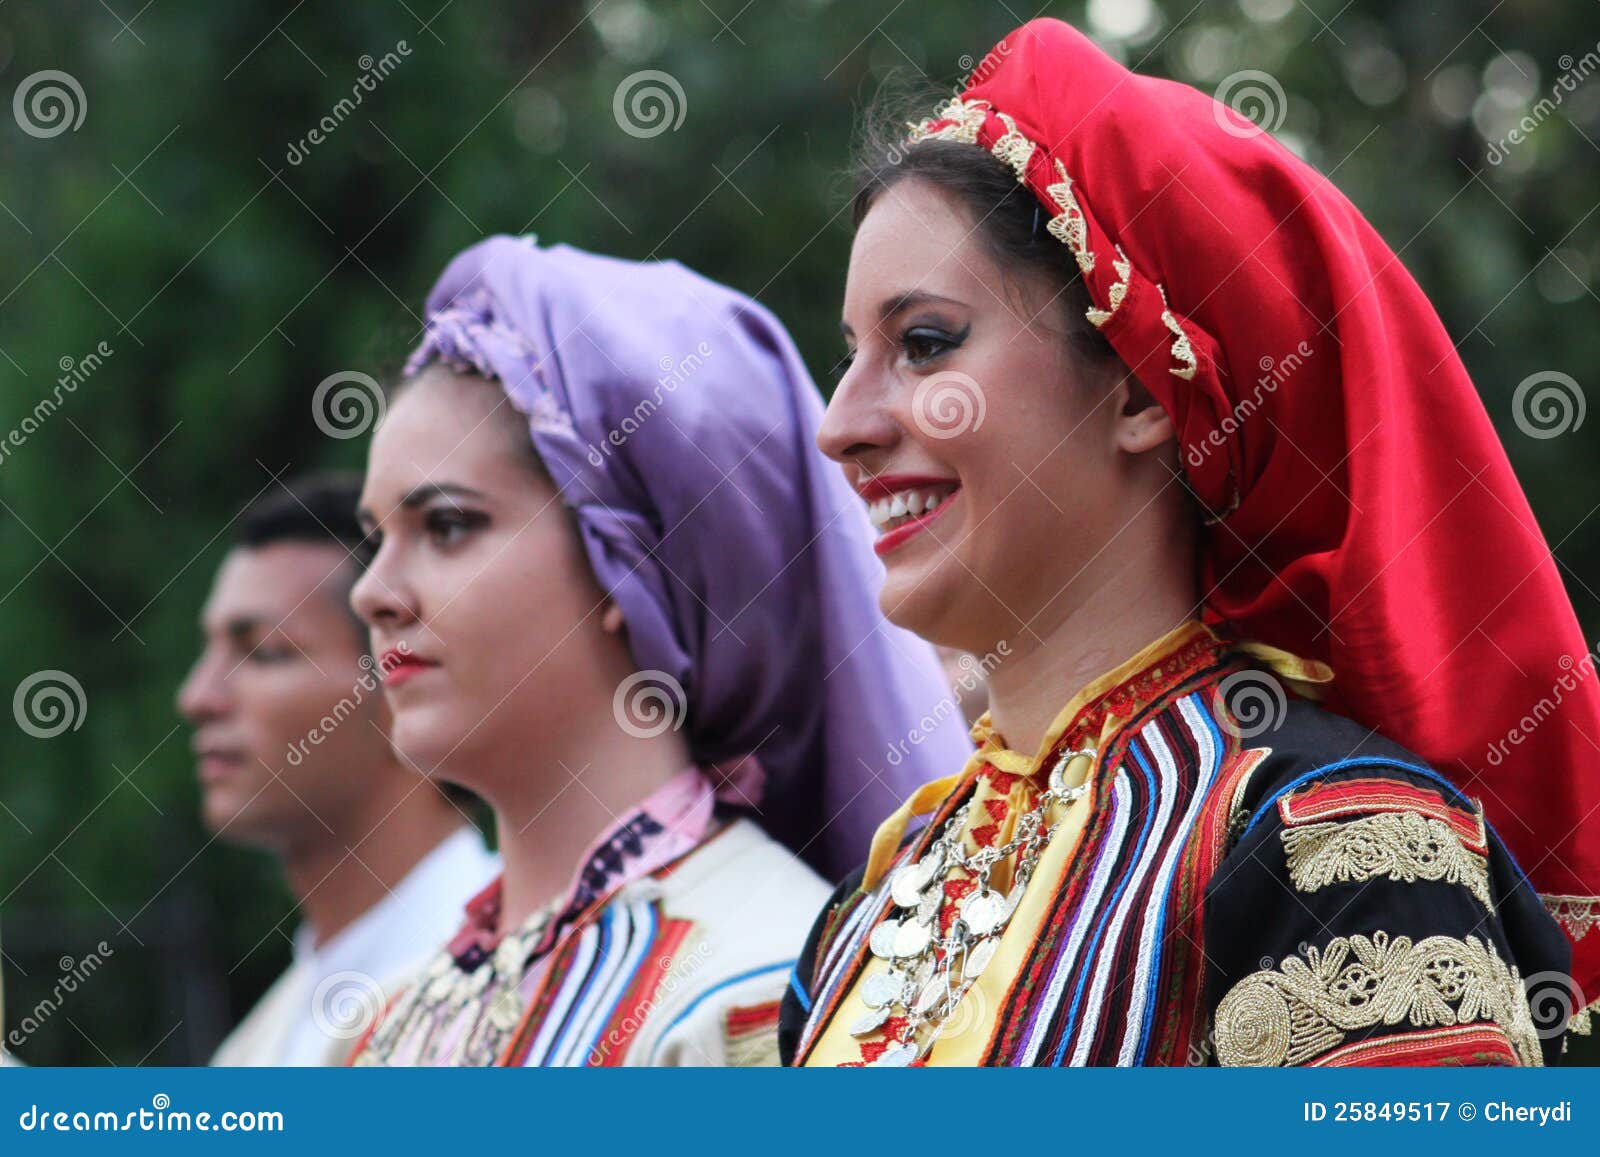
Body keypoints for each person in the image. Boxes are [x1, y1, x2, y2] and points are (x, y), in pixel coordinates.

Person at [780, 18, 1599, 1067]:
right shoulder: (870, 914)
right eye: (850, 356)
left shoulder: (1336, 856)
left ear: (1138, 385)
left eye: (924, 343)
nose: (840, 426)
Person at [345, 236, 969, 1066]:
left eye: (447, 525)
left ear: (628, 566)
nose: (373, 592)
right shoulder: (379, 1027)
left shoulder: (763, 998)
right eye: (375, 538)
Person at [178, 473, 497, 1066]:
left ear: (401, 676)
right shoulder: (255, 1050)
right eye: (211, 650)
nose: (197, 697)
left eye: (264, 652)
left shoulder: (528, 993)